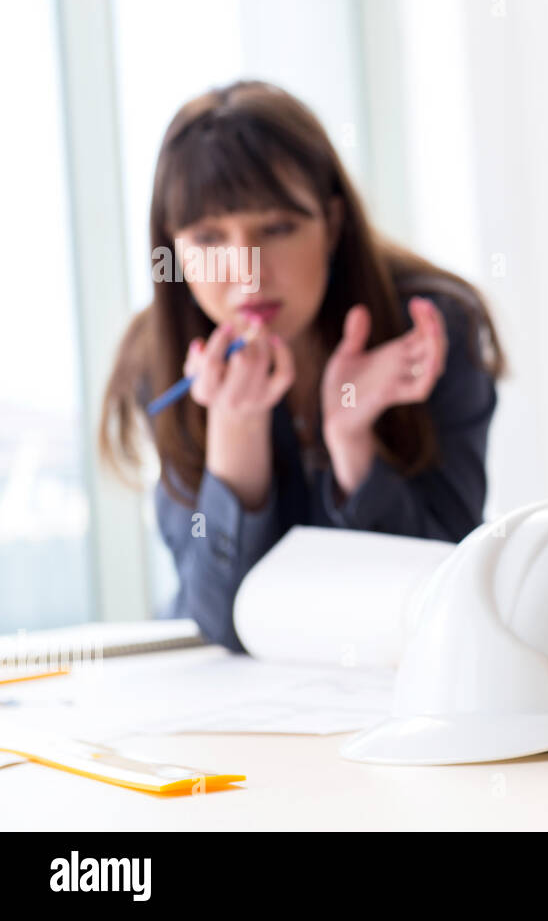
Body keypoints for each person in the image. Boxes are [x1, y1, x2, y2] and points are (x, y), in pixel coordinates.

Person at [100, 81, 504, 650]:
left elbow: (440, 596)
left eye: (277, 229)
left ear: (332, 223)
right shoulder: (159, 357)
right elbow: (220, 624)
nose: (245, 272)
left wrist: (351, 442)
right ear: (173, 248)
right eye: (209, 237)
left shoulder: (427, 328)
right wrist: (234, 435)